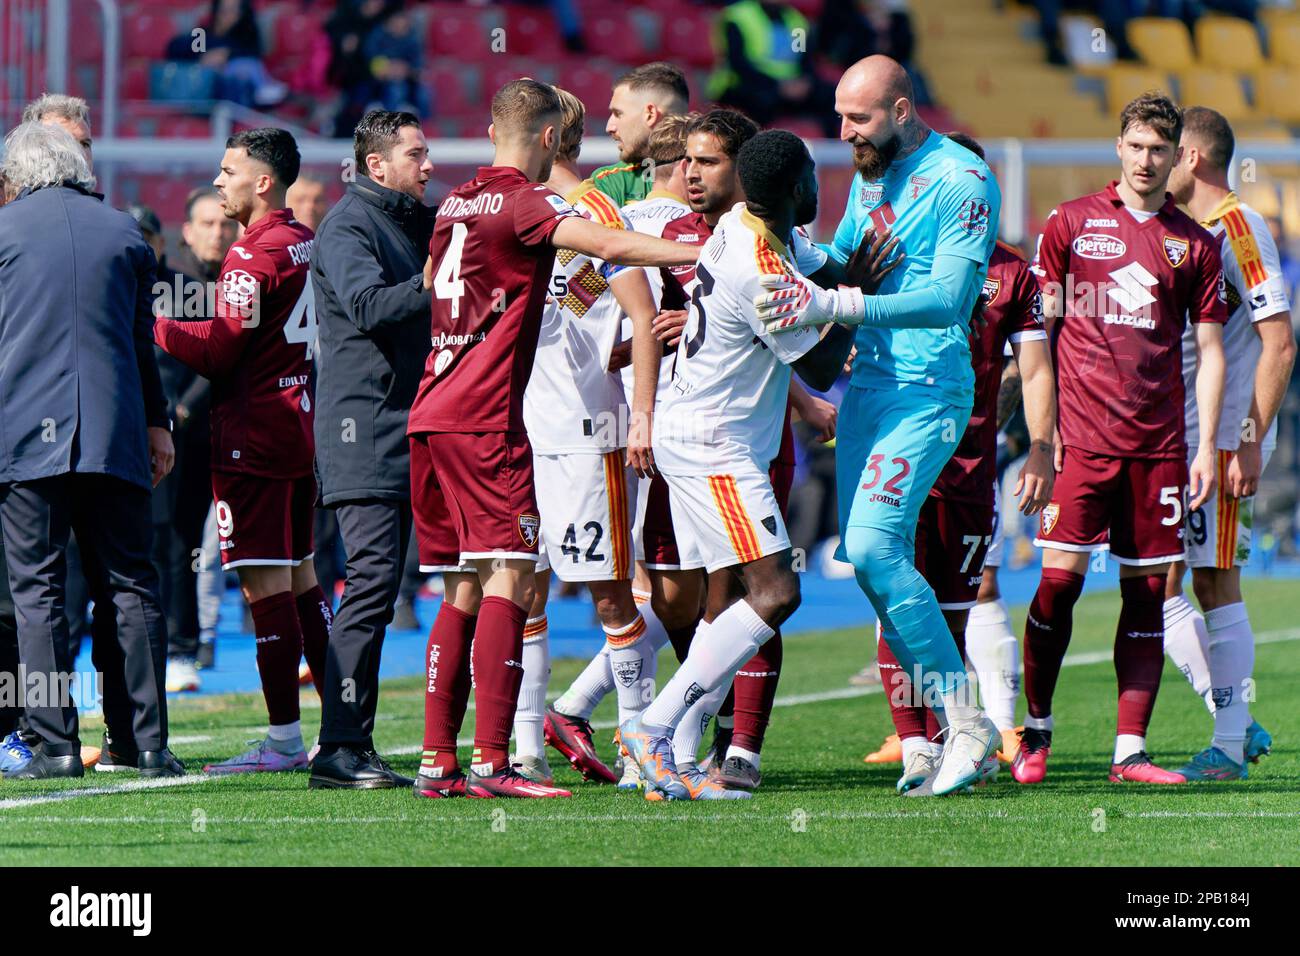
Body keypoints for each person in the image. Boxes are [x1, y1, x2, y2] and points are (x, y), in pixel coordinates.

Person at [407, 78, 698, 800]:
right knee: (514, 576)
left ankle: (443, 759)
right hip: (495, 418)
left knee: (470, 582)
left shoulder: (456, 201)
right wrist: (699, 251)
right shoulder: (537, 204)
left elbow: (451, 284)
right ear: (548, 138)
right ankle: (495, 761)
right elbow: (603, 245)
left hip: (436, 409)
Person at [752, 56, 1006, 796]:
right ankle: (925, 739)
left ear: (901, 110)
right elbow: (851, 262)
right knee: (872, 565)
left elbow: (948, 299)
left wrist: (839, 305)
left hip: (927, 390)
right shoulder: (870, 172)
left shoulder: (962, 179)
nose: (843, 133)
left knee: (868, 544)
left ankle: (971, 726)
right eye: (839, 116)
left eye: (857, 119)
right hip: (868, 387)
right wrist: (804, 263)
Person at [618, 130, 856, 801]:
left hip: (701, 431)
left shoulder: (744, 222)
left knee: (725, 600)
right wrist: (862, 303)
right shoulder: (760, 264)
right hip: (713, 443)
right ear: (792, 190)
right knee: (776, 591)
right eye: (812, 175)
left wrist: (856, 268)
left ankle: (675, 754)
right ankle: (654, 728)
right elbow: (817, 363)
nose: (819, 186)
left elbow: (823, 265)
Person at [1014, 93, 1227, 785]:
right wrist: (1042, 442)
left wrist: (1204, 447)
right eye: (1135, 146)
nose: (1145, 160)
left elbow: (1213, 353)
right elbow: (1037, 339)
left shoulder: (1195, 244)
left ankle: (1129, 751)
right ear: (1118, 147)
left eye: (1159, 150)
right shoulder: (1070, 224)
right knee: (1054, 589)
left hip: (1159, 450)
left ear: (1176, 157)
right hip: (1081, 446)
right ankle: (1036, 732)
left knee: (1146, 598)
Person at [865, 132, 1056, 792]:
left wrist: (1039, 447)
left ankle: (952, 737)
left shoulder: (1014, 273)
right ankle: (918, 744)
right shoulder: (892, 254)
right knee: (896, 603)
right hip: (897, 458)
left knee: (950, 609)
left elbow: (1032, 368)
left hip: (971, 466)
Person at [0, 122, 183, 780]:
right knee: (132, 586)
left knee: (39, 595)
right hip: (115, 433)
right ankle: (146, 744)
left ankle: (53, 743)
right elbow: (144, 348)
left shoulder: (4, 231)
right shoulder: (125, 233)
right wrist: (159, 427)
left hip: (26, 439)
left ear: (19, 175)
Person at [155, 128, 333, 775]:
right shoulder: (302, 241)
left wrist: (154, 324)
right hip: (296, 426)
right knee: (303, 577)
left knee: (267, 590)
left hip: (253, 438)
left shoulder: (252, 256)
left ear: (262, 182)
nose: (220, 179)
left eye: (229, 171)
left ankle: (284, 740)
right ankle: (339, 726)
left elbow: (217, 352)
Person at [510, 87, 665, 787]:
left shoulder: (597, 214)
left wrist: (639, 416)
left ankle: (640, 745)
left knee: (608, 594)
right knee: (524, 589)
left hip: (584, 431)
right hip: (519, 433)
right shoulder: (518, 215)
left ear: (547, 138)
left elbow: (640, 318)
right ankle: (524, 749)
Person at [1162, 106, 1296, 780]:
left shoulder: (1238, 228)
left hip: (1219, 440)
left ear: (1191, 157)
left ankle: (1231, 742)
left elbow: (1281, 341)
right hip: (1178, 439)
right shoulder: (1185, 232)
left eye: (1164, 152)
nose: (1151, 166)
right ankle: (1238, 720)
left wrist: (1247, 439)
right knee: (1157, 585)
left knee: (1214, 582)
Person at [307, 109, 434, 789]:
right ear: (375, 165)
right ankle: (338, 746)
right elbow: (368, 305)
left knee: (402, 587)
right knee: (371, 586)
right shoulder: (350, 224)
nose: (428, 165)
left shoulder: (414, 219)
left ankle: (489, 741)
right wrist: (438, 280)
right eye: (416, 154)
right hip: (364, 429)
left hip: (412, 423)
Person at [127, 204, 215, 697]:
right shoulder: (111, 286)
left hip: (186, 434)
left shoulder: (187, 290)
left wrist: (179, 412)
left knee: (183, 544)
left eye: (148, 237)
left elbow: (213, 356)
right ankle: (140, 651)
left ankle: (182, 648)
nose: (141, 245)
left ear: (163, 242)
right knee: (143, 545)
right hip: (131, 436)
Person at [707, 0, 838, 136]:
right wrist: (778, 86)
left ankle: (830, 147)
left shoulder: (796, 21)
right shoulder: (738, 16)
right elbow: (738, 64)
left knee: (829, 95)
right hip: (742, 84)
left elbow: (804, 60)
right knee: (761, 99)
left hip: (787, 86)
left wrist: (803, 82)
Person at [584, 63, 690, 208]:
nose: (609, 127)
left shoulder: (715, 176)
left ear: (650, 114)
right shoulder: (610, 181)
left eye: (618, 114)